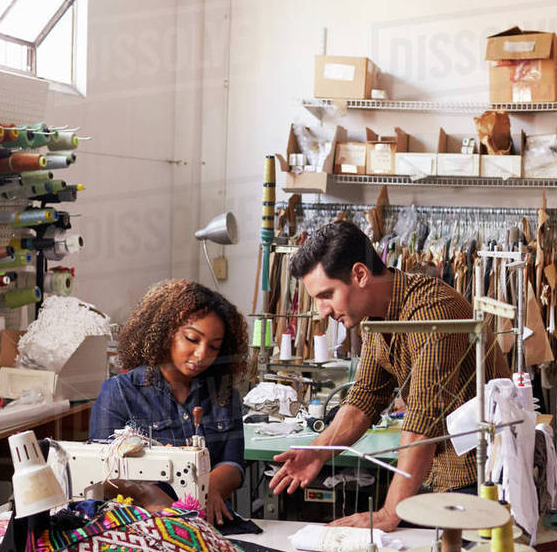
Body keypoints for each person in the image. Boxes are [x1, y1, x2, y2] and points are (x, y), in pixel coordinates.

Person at [268, 220, 510, 531]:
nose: (322, 311)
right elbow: (365, 398)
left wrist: (387, 514)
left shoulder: (432, 311)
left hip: (484, 478)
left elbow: (424, 419)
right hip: (442, 477)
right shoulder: (375, 318)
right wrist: (317, 452)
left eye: (327, 294)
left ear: (360, 274)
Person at [89, 279, 248, 527]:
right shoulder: (120, 392)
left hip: (209, 522)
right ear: (166, 332)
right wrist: (147, 494)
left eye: (214, 347)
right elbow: (101, 470)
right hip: (143, 525)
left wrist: (208, 488)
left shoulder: (223, 393)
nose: (202, 355)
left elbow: (233, 464)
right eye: (192, 339)